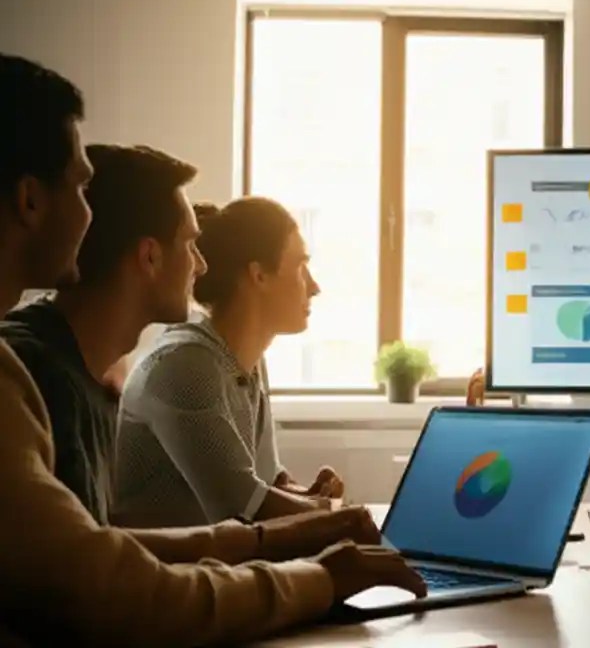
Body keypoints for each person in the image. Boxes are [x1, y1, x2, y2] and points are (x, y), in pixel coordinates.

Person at [0, 53, 424, 646]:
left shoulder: (69, 369)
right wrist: (318, 577)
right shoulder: (33, 371)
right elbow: (102, 590)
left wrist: (280, 542)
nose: (201, 266)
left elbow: (93, 549)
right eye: (79, 187)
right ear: (29, 200)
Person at [114, 195, 346, 527]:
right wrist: (341, 516)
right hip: (163, 573)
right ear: (258, 275)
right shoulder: (185, 365)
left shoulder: (247, 362)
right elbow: (244, 509)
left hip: (213, 565)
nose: (314, 287)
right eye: (300, 267)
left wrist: (310, 495)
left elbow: (264, 484)